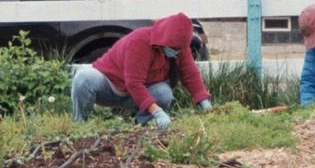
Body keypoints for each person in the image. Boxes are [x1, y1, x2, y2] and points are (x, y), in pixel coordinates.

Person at [71, 12, 211, 126]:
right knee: (84, 78)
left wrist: (205, 103)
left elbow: (190, 74)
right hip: (110, 86)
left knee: (163, 93)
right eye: (173, 49)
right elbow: (133, 82)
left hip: (134, 96)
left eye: (179, 49)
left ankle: (139, 126)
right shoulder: (139, 41)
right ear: (164, 39)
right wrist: (157, 112)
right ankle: (80, 124)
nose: (176, 52)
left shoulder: (179, 47)